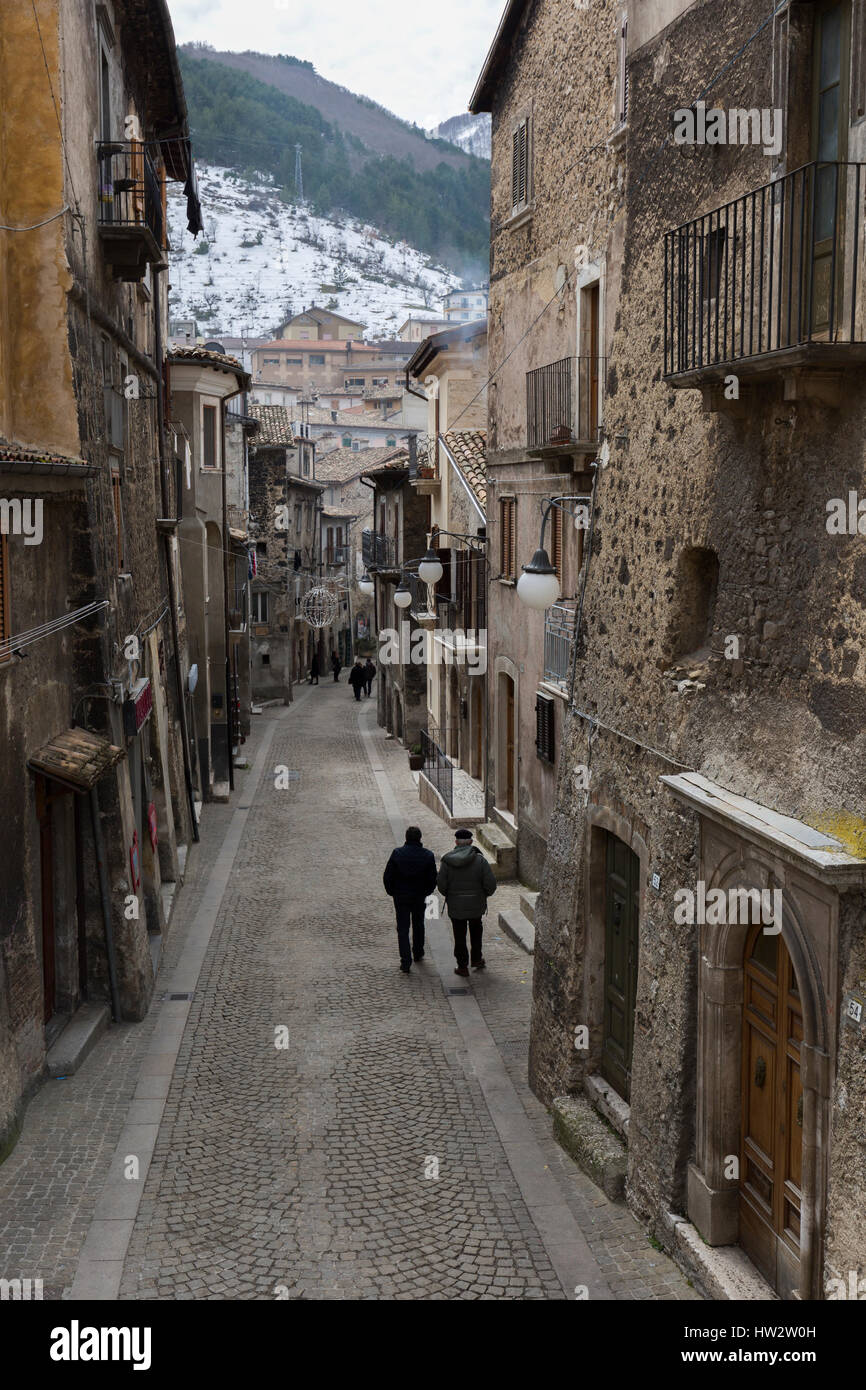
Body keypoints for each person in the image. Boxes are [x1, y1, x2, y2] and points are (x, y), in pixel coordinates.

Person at [437, 828, 497, 976]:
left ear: (456, 842)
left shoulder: (447, 861)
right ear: (471, 842)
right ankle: (476, 959)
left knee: (459, 935)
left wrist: (450, 895)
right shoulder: (480, 860)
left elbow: (441, 884)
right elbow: (490, 884)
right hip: (476, 905)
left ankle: (462, 966)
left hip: (456, 906)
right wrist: (484, 895)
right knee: (476, 932)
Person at [383, 827, 437, 972]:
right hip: (419, 896)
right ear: (420, 838)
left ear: (406, 838)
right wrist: (427, 891)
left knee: (403, 928)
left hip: (401, 896)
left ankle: (405, 961)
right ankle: (418, 952)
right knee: (418, 924)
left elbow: (388, 876)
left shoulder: (397, 853)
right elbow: (432, 879)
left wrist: (392, 892)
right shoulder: (428, 855)